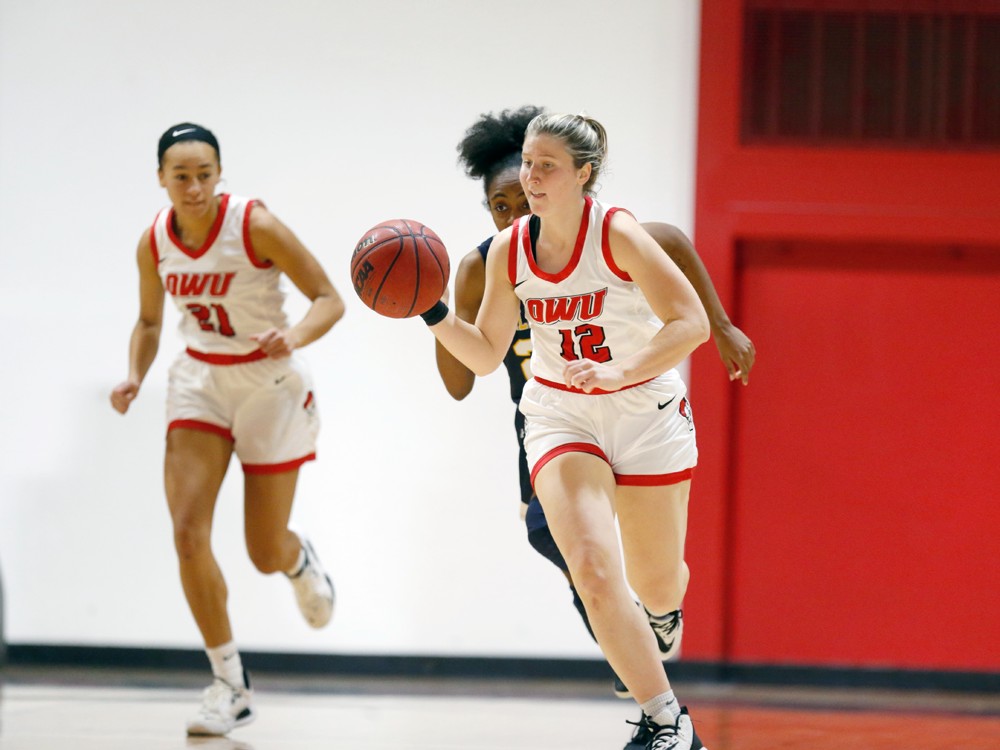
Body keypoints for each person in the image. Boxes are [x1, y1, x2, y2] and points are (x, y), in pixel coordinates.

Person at [439, 108, 753, 748]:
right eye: (527, 163)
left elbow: (687, 324)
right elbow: (482, 353)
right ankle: (666, 719)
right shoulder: (507, 250)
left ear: (584, 174)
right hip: (560, 414)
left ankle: (661, 614)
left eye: (546, 166)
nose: (531, 177)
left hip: (643, 411)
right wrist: (431, 311)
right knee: (587, 562)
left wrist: (622, 372)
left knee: (656, 580)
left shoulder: (619, 233)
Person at [110, 123, 345, 737]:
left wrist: (291, 336)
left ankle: (298, 561)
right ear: (161, 177)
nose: (192, 186)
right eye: (180, 175)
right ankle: (228, 683)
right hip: (200, 383)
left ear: (220, 174)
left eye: (203, 174)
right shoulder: (154, 241)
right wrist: (135, 376)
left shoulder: (254, 225)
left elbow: (328, 298)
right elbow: (147, 319)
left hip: (269, 384)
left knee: (262, 551)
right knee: (188, 534)